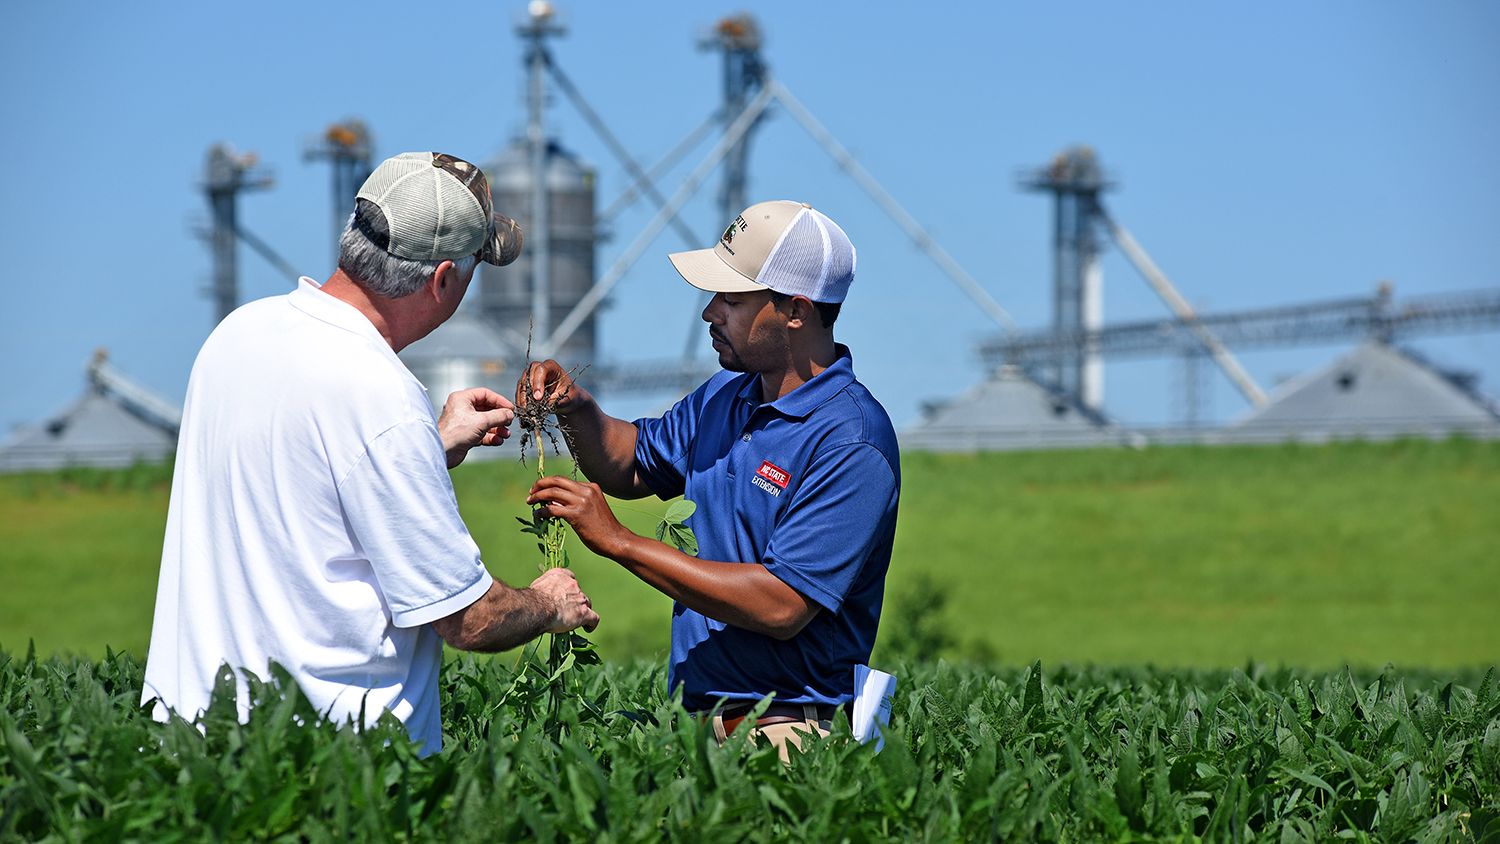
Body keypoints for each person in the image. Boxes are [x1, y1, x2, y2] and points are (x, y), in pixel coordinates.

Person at [142, 151, 599, 756]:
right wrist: (548, 603)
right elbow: (468, 619)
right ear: (442, 280)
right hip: (326, 765)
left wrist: (429, 448)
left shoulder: (238, 335)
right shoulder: (380, 395)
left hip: (196, 747)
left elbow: (304, 498)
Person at [521, 200, 900, 759]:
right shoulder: (728, 395)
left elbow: (782, 605)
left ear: (794, 311)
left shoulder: (852, 440)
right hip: (695, 723)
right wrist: (575, 408)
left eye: (732, 299)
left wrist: (620, 542)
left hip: (789, 732)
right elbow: (631, 462)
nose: (710, 313)